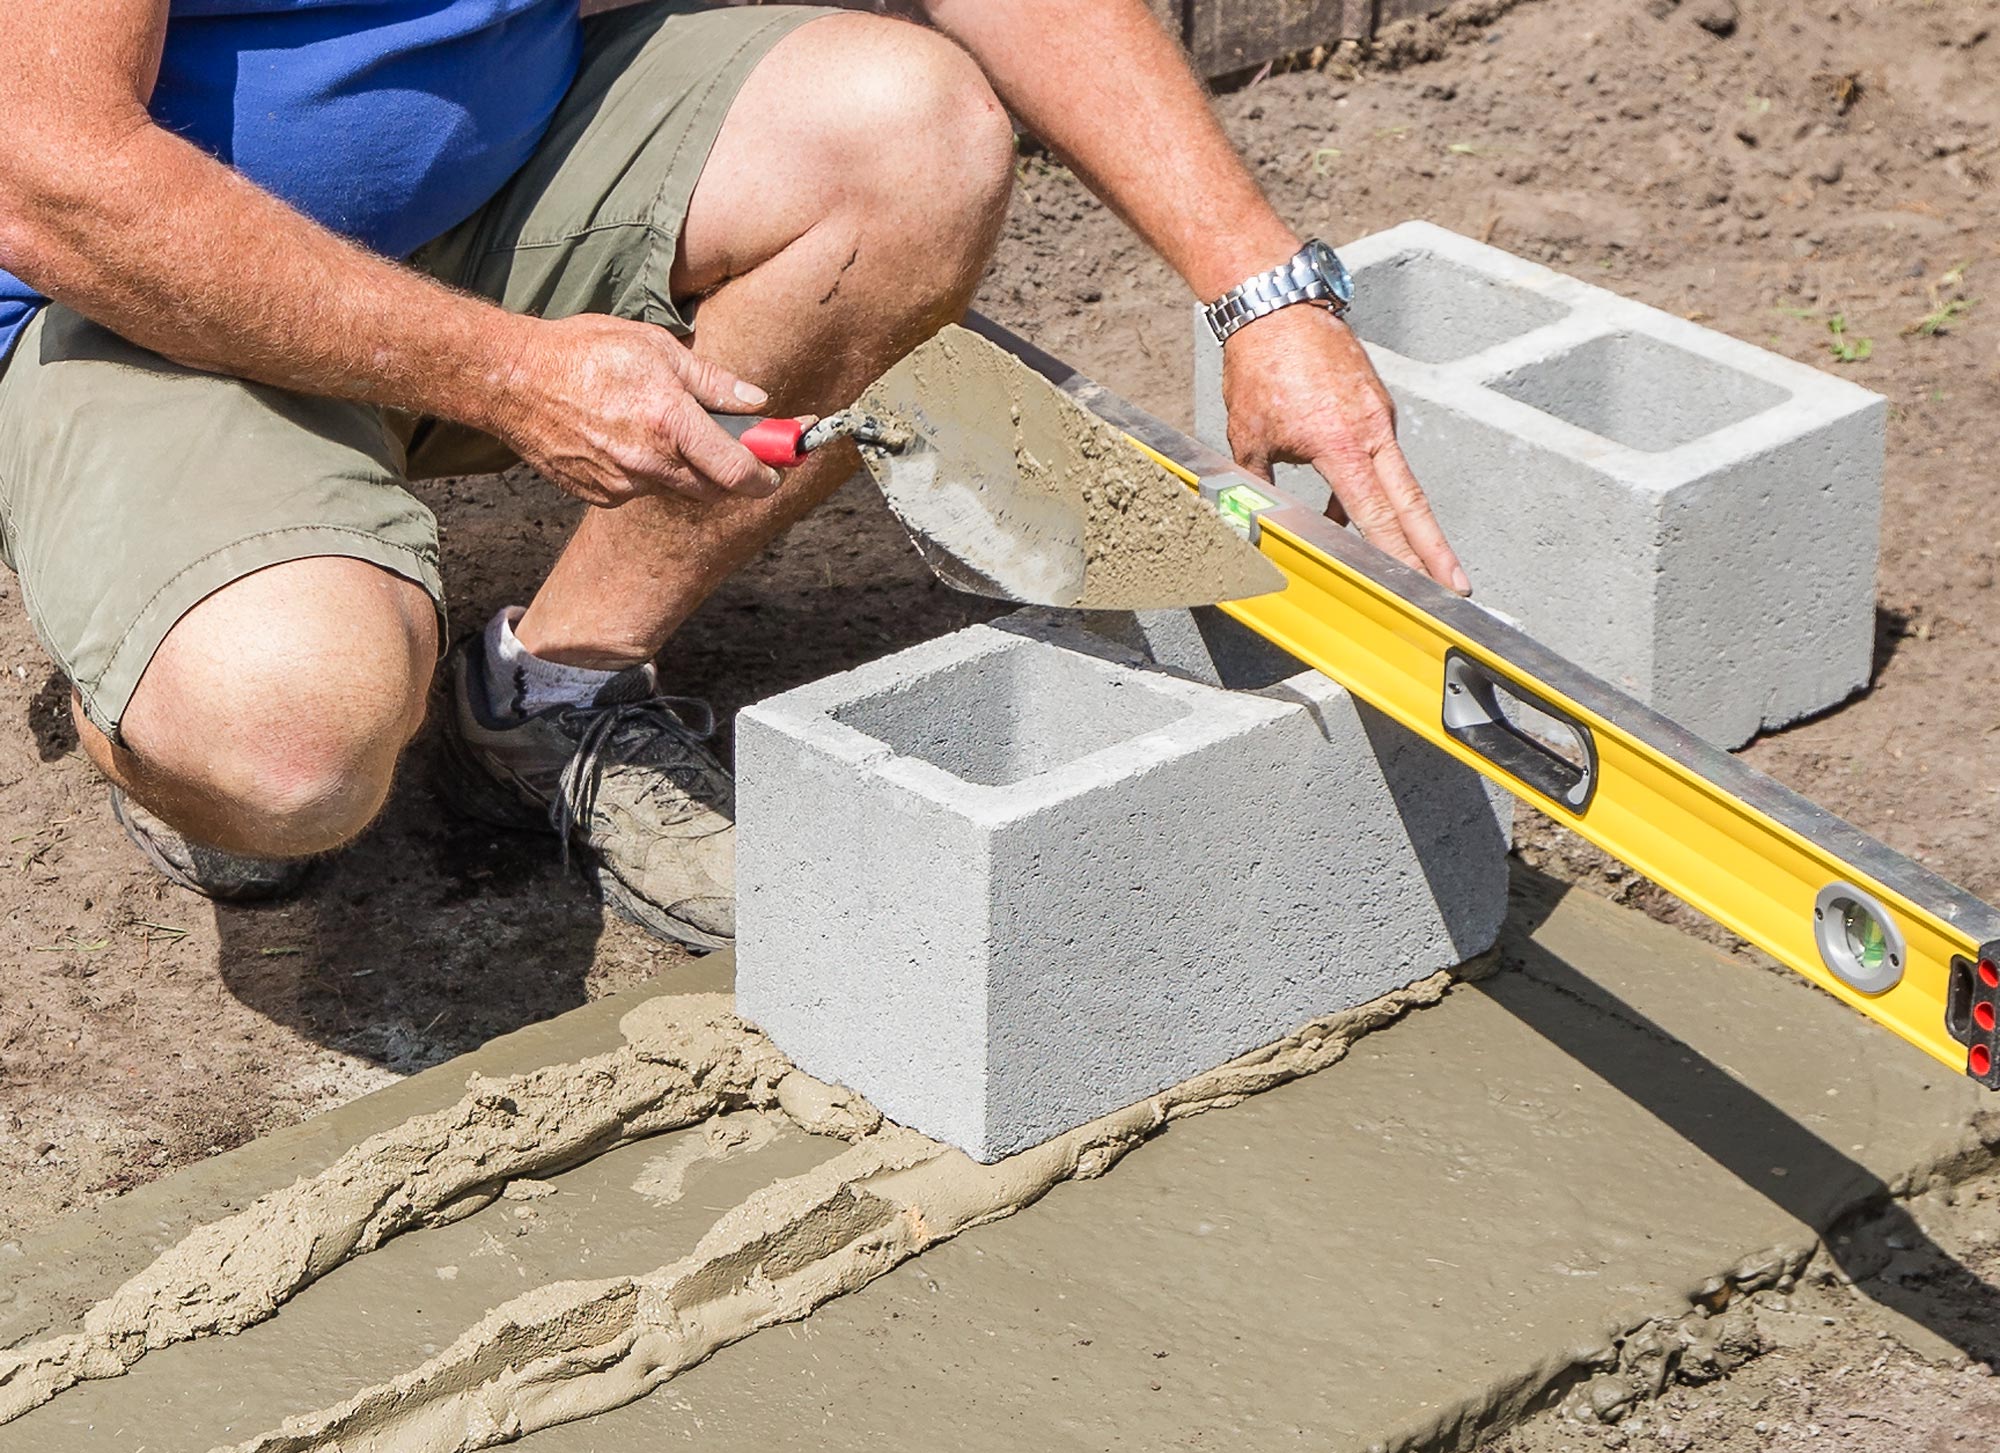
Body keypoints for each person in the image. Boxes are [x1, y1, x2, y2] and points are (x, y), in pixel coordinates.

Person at [0, 0, 1467, 948]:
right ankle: (151, 672)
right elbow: (52, 181)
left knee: (911, 133)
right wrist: (508, 374)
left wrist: (1261, 291)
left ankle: (557, 685)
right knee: (286, 751)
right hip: (143, 298)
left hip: (502, 186)